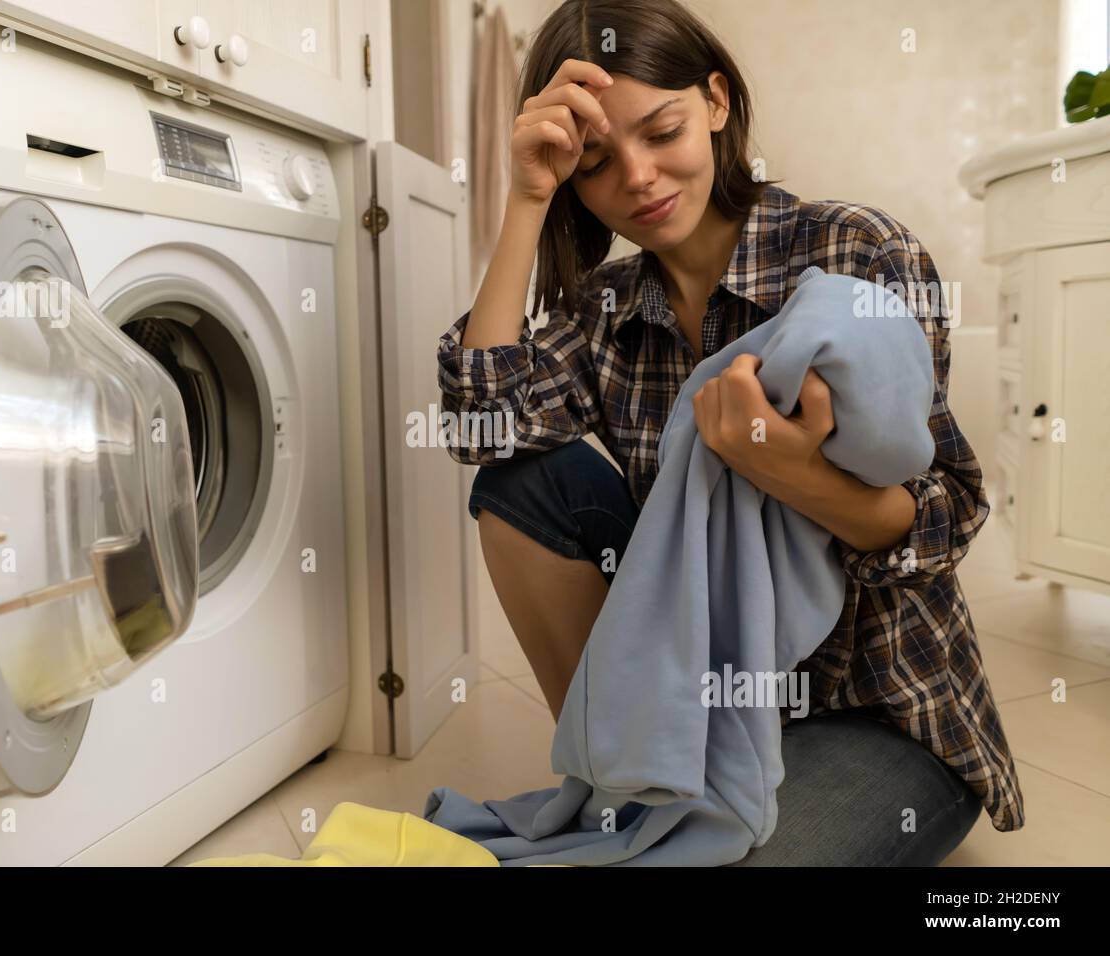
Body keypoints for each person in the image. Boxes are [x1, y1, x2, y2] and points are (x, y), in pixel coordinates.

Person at [437, 0, 1024, 865]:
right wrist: (525, 200)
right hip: (701, 696)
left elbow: (947, 516)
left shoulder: (855, 253)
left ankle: (676, 795)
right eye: (596, 162)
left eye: (661, 130)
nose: (637, 177)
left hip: (875, 707)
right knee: (525, 482)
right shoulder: (604, 307)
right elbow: (483, 426)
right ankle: (634, 771)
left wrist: (776, 464)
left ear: (715, 102)